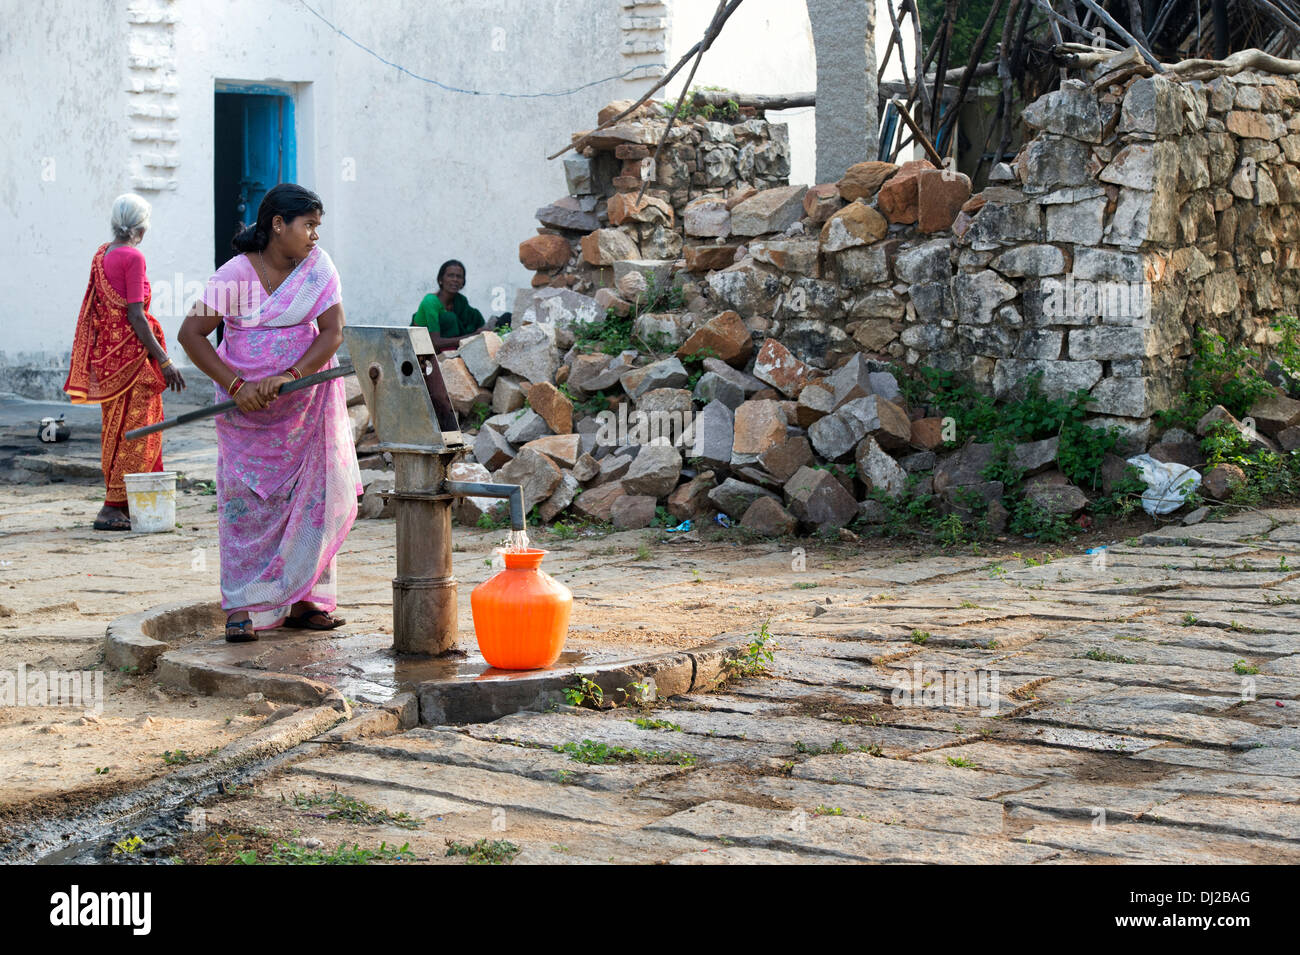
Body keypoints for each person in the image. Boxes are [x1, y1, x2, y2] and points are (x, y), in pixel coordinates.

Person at [177, 184, 361, 643]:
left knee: (312, 500)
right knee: (247, 510)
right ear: (278, 225)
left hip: (305, 406)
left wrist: (292, 373)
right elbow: (192, 334)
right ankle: (241, 606)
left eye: (318, 227)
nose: (315, 236)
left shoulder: (319, 269)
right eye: (309, 226)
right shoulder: (235, 275)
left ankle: (306, 600)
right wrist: (238, 386)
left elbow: (333, 331)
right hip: (247, 416)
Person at [65, 193, 186, 531]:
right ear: (143, 226)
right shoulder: (133, 257)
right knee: (138, 432)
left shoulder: (102, 253)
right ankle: (112, 507)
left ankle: (128, 502)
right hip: (133, 362)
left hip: (109, 359)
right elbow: (135, 314)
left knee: (117, 431)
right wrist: (164, 361)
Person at [410, 259, 494, 351]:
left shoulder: (460, 301)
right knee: (449, 318)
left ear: (463, 282)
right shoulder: (430, 301)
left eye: (459, 276)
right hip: (422, 348)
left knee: (475, 314)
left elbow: (475, 321)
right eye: (450, 275)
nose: (455, 279)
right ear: (440, 279)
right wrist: (475, 336)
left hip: (449, 348)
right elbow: (435, 342)